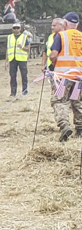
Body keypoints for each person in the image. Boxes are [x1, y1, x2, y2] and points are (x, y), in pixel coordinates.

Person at [47, 12, 82, 142]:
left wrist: (54, 65)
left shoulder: (61, 36)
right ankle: (80, 128)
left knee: (59, 100)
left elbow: (53, 55)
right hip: (78, 78)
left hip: (63, 78)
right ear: (77, 24)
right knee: (76, 101)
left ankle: (65, 125)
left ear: (65, 23)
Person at [6, 22, 29, 100]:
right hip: (12, 59)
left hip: (22, 59)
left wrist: (22, 47)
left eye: (17, 28)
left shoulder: (24, 37)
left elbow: (28, 49)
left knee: (24, 75)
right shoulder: (9, 37)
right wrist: (6, 61)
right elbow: (7, 49)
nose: (16, 30)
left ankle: (25, 91)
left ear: (20, 29)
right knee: (12, 76)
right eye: (14, 28)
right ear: (12, 29)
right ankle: (13, 92)